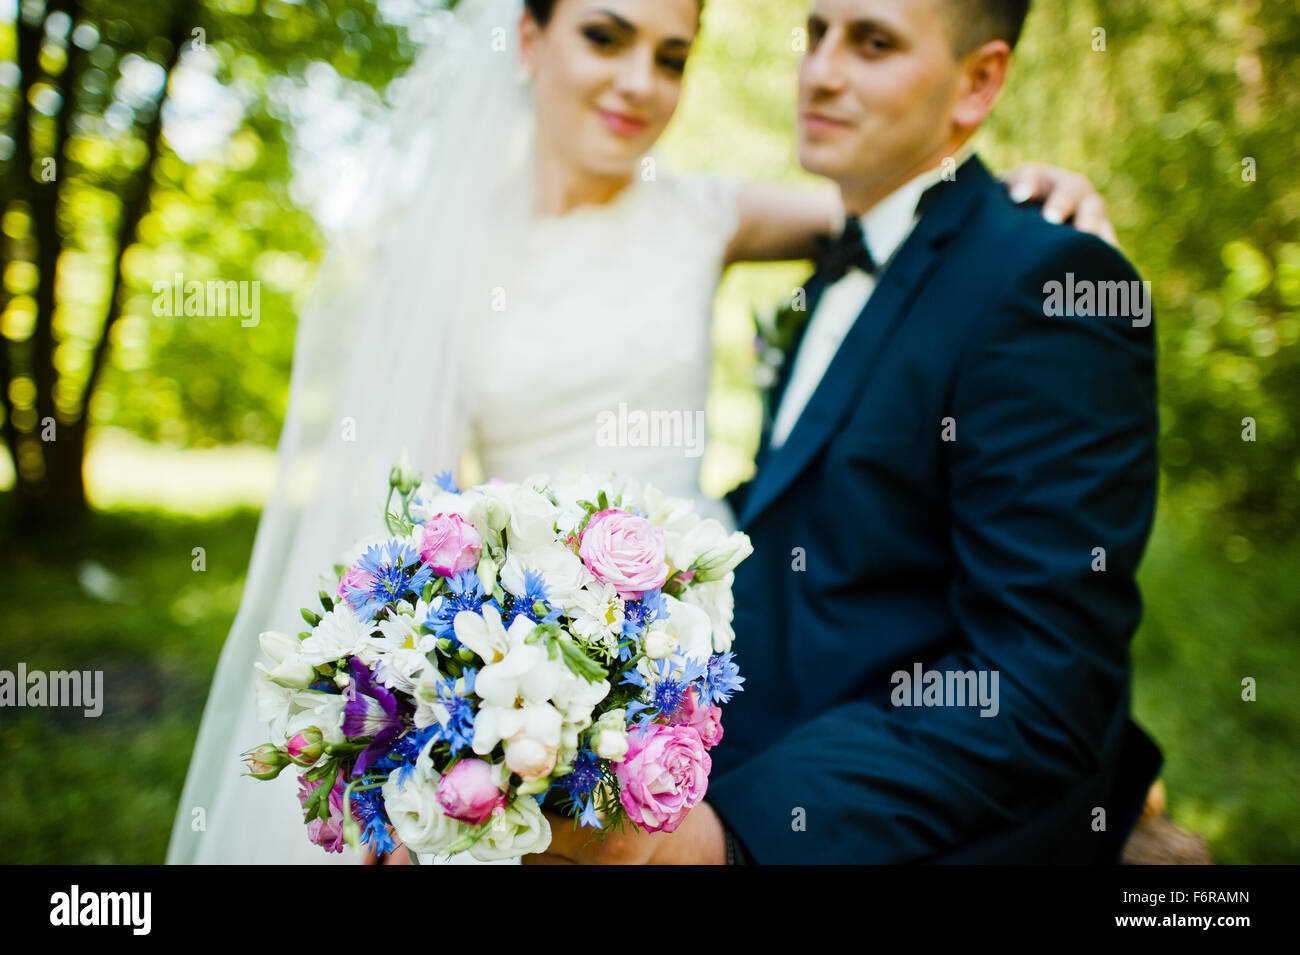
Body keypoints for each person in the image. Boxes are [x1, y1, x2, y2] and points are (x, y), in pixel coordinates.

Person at [167, 0, 1119, 864]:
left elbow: (909, 215)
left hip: (712, 646)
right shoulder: (437, 253)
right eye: (605, 37)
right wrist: (416, 734)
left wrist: (1037, 190)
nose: (640, 83)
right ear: (531, 38)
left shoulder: (707, 210)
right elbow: (413, 513)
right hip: (524, 639)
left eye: (672, 57)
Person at [525, 0, 1161, 864]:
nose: (819, 68)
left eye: (873, 43)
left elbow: (1040, 686)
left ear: (978, 83)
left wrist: (731, 834)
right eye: (817, 31)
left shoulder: (1048, 283)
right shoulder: (842, 262)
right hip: (719, 745)